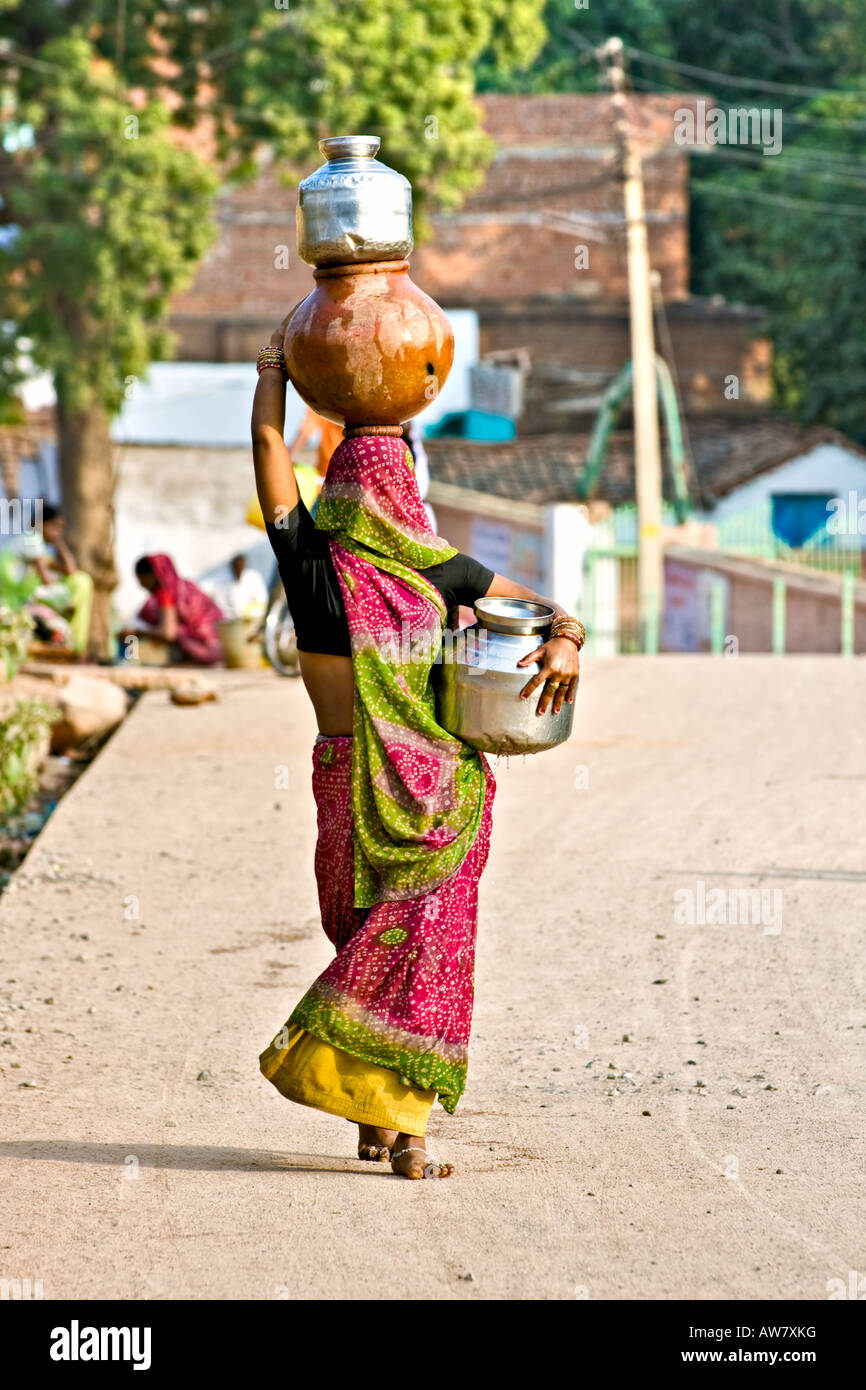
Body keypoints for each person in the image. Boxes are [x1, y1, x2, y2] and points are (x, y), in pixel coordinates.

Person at [252, 317, 582, 1180]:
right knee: (422, 951)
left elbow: (265, 448)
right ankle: (399, 1128)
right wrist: (567, 642)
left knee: (367, 937)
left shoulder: (310, 563)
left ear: (337, 493)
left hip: (345, 787)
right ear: (410, 499)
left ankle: (391, 1125)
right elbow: (549, 610)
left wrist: (274, 372)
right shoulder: (448, 574)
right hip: (441, 798)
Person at [3, 504, 94, 655]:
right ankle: (74, 647)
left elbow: (71, 571)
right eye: (54, 526)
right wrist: (66, 604)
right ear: (37, 524)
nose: (57, 532)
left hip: (20, 599)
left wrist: (59, 542)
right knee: (78, 588)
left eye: (60, 528)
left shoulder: (37, 546)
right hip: (13, 600)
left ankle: (73, 646)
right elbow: (47, 581)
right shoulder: (31, 539)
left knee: (81, 580)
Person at [125, 554, 224, 666]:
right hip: (222, 643)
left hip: (206, 650)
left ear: (154, 574)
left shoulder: (165, 594)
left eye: (141, 578)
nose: (141, 584)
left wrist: (136, 633)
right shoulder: (183, 586)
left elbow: (168, 633)